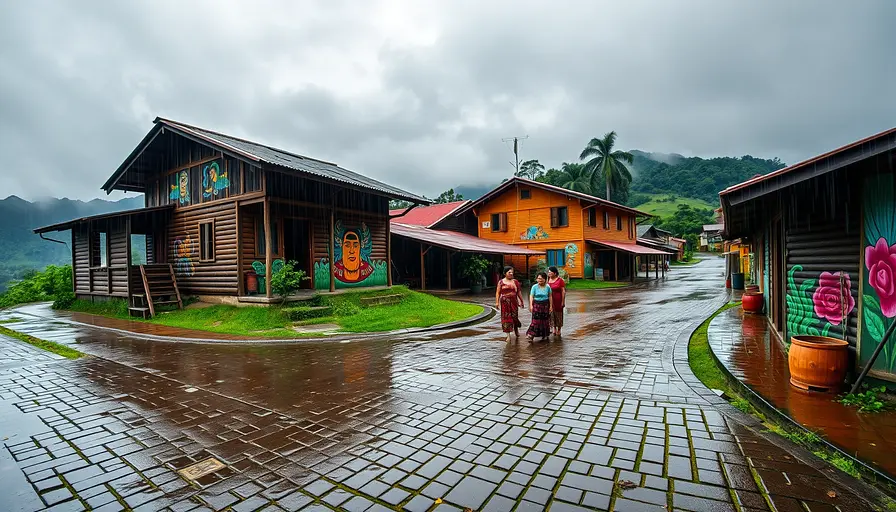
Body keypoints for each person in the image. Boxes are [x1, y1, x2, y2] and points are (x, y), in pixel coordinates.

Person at [495, 266, 524, 341]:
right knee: (506, 318)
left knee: (514, 316)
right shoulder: (501, 282)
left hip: (514, 302)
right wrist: (497, 302)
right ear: (505, 273)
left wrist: (521, 301)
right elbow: (498, 292)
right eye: (509, 272)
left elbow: (519, 292)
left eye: (512, 272)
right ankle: (508, 335)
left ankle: (516, 329)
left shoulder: (515, 282)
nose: (511, 274)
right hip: (504, 302)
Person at [526, 272, 552, 342]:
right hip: (536, 305)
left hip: (545, 305)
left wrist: (551, 306)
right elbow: (531, 296)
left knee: (545, 320)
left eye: (541, 278)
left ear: (545, 279)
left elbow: (550, 296)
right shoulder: (534, 287)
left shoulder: (548, 287)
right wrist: (531, 305)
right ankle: (531, 335)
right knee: (536, 320)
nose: (540, 280)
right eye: (538, 278)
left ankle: (545, 334)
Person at [547, 266, 566, 337]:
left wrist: (563, 301)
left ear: (555, 273)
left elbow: (563, 291)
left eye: (550, 272)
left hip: (558, 299)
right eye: (548, 272)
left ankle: (559, 329)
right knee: (551, 313)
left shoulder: (560, 280)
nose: (549, 273)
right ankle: (553, 327)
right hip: (549, 300)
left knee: (558, 314)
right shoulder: (548, 280)